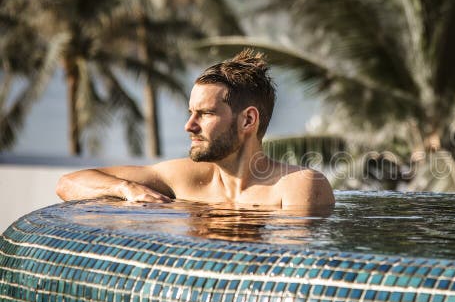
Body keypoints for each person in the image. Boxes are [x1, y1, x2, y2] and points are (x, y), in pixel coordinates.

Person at [56, 49, 334, 209]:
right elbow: (67, 184)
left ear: (248, 120)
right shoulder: (183, 179)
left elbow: (296, 272)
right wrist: (126, 188)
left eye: (206, 113)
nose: (190, 126)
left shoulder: (297, 186)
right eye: (191, 113)